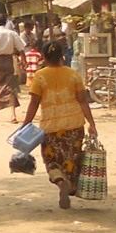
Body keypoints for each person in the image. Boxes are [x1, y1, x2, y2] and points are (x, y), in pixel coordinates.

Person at [21, 41, 97, 210]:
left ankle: (60, 180)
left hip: (50, 127)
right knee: (72, 159)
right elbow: (83, 101)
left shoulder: (39, 76)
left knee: (52, 161)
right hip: (74, 126)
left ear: (44, 57)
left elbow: (33, 103)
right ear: (62, 56)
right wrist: (92, 124)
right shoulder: (73, 75)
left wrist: (25, 124)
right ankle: (69, 184)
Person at [0, 15, 27, 122]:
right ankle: (13, 115)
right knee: (10, 85)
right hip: (9, 60)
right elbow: (21, 48)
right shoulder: (12, 34)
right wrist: (23, 60)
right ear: (5, 22)